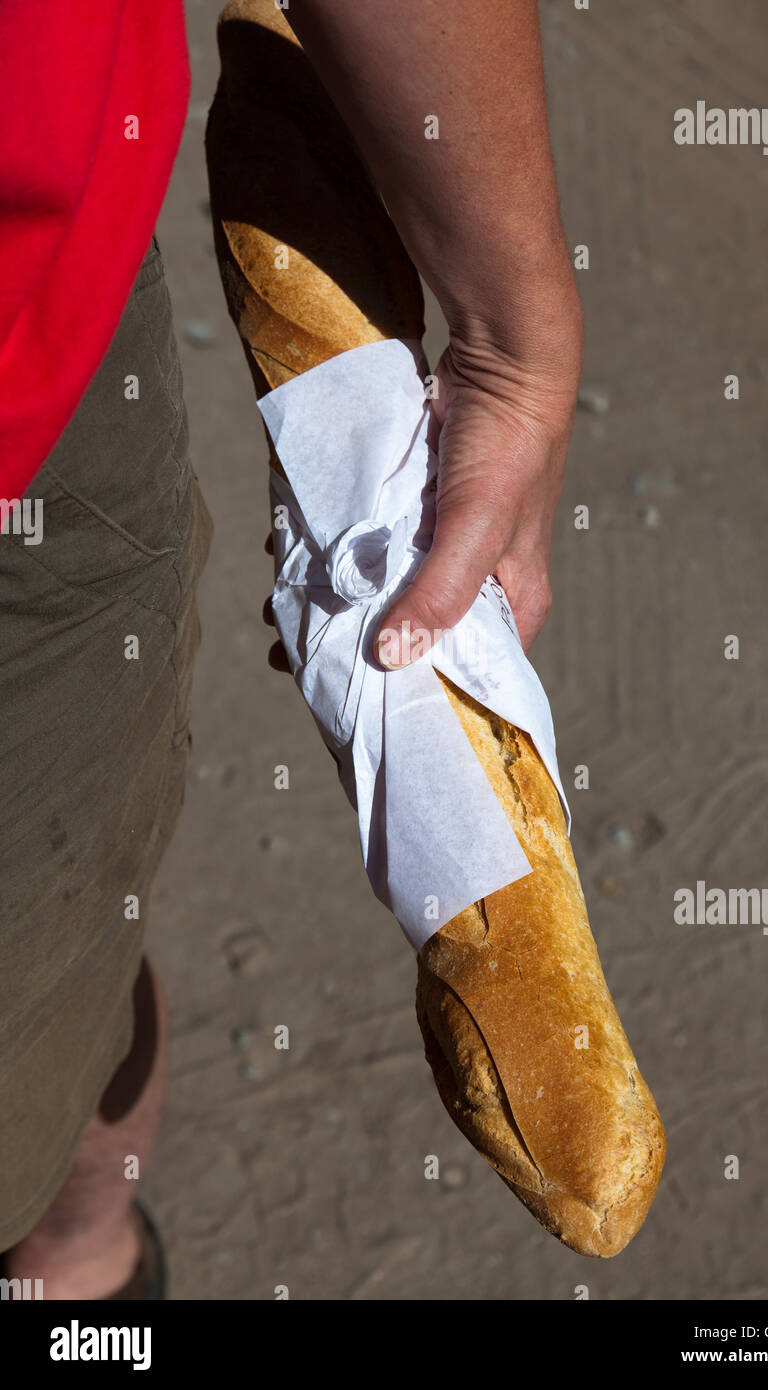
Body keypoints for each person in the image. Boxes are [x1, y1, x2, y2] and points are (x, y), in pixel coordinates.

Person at [0, 0, 582, 1299]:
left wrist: (504, 342)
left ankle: (83, 1266)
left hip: (24, 362)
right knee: (53, 906)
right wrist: (515, 341)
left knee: (58, 916)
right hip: (29, 331)